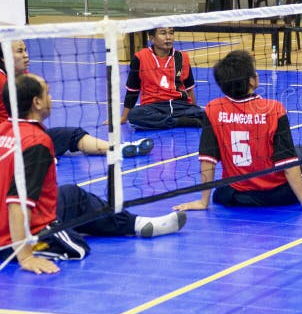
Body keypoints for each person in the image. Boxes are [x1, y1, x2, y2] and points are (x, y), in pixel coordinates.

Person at [0, 74, 187, 274]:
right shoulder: (37, 142)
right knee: (78, 247)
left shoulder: (4, 129)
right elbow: (18, 203)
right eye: (47, 93)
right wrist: (25, 256)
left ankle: (139, 224)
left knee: (73, 195)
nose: (51, 98)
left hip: (15, 219)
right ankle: (28, 245)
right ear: (37, 102)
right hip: (12, 239)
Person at [173, 51, 302, 211]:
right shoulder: (274, 109)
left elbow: (207, 159)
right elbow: (287, 162)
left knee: (222, 188)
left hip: (234, 196)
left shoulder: (213, 109)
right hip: (276, 196)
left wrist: (203, 202)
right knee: (301, 152)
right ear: (252, 81)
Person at [0, 40, 153, 158]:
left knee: (73, 134)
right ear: (4, 57)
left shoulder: (24, 75)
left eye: (26, 50)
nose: (26, 55)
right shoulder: (2, 80)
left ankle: (118, 148)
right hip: (8, 141)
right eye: (20, 51)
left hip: (28, 136)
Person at [122, 27, 206, 130]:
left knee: (207, 115)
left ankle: (169, 120)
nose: (168, 37)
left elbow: (189, 88)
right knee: (134, 115)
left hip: (179, 105)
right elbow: (132, 91)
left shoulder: (182, 56)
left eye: (171, 33)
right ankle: (179, 121)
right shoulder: (140, 58)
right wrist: (124, 117)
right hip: (153, 107)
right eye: (163, 33)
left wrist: (195, 109)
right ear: (152, 38)